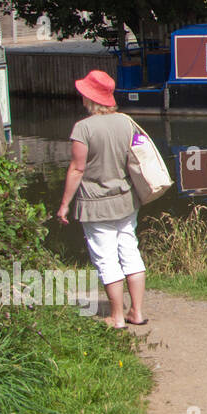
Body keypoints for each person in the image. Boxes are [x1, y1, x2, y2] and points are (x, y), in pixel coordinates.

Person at [56, 70, 146, 328]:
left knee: (106, 258)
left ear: (88, 96)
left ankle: (117, 317)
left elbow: (77, 169)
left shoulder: (83, 128)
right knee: (130, 251)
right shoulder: (126, 122)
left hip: (96, 205)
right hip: (126, 200)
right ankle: (136, 312)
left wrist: (64, 205)